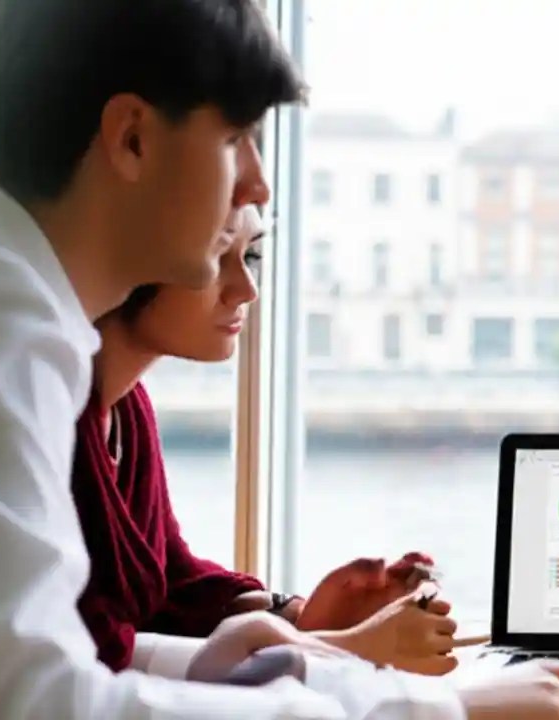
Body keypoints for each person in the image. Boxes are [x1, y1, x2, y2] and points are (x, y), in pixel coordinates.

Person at [0, 0, 559, 717]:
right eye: (234, 137)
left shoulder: (29, 325)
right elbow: (36, 698)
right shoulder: (3, 333)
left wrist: (309, 649)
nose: (256, 183)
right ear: (131, 139)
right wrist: (442, 711)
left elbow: (100, 651)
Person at [73, 205, 459, 678]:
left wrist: (294, 616)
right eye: (218, 254)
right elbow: (85, 658)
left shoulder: (127, 409)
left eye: (250, 256)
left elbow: (170, 584)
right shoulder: (59, 419)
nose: (247, 289)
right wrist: (337, 651)